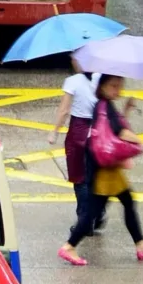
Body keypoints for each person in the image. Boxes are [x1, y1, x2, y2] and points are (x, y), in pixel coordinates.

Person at [59, 74, 143, 265]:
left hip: (107, 168)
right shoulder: (104, 106)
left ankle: (140, 244)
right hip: (105, 171)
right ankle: (69, 246)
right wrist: (141, 143)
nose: (118, 90)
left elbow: (113, 128)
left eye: (120, 85)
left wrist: (127, 110)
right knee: (94, 211)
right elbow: (120, 132)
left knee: (126, 202)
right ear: (103, 87)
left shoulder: (103, 105)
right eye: (114, 86)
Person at [52, 63, 102, 244]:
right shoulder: (101, 78)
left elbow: (64, 110)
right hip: (98, 131)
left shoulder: (72, 81)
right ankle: (97, 214)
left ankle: (85, 221)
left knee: (80, 179)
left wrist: (54, 131)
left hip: (79, 132)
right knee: (94, 177)